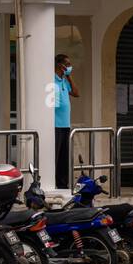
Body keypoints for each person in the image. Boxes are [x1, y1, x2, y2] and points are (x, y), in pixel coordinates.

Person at [53, 53, 79, 189]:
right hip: (55, 125)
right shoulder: (52, 80)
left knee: (64, 158)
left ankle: (63, 185)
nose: (70, 67)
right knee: (55, 157)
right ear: (60, 65)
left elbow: (76, 93)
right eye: (67, 65)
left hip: (65, 125)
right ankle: (53, 183)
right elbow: (53, 104)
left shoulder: (64, 80)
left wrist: (68, 76)